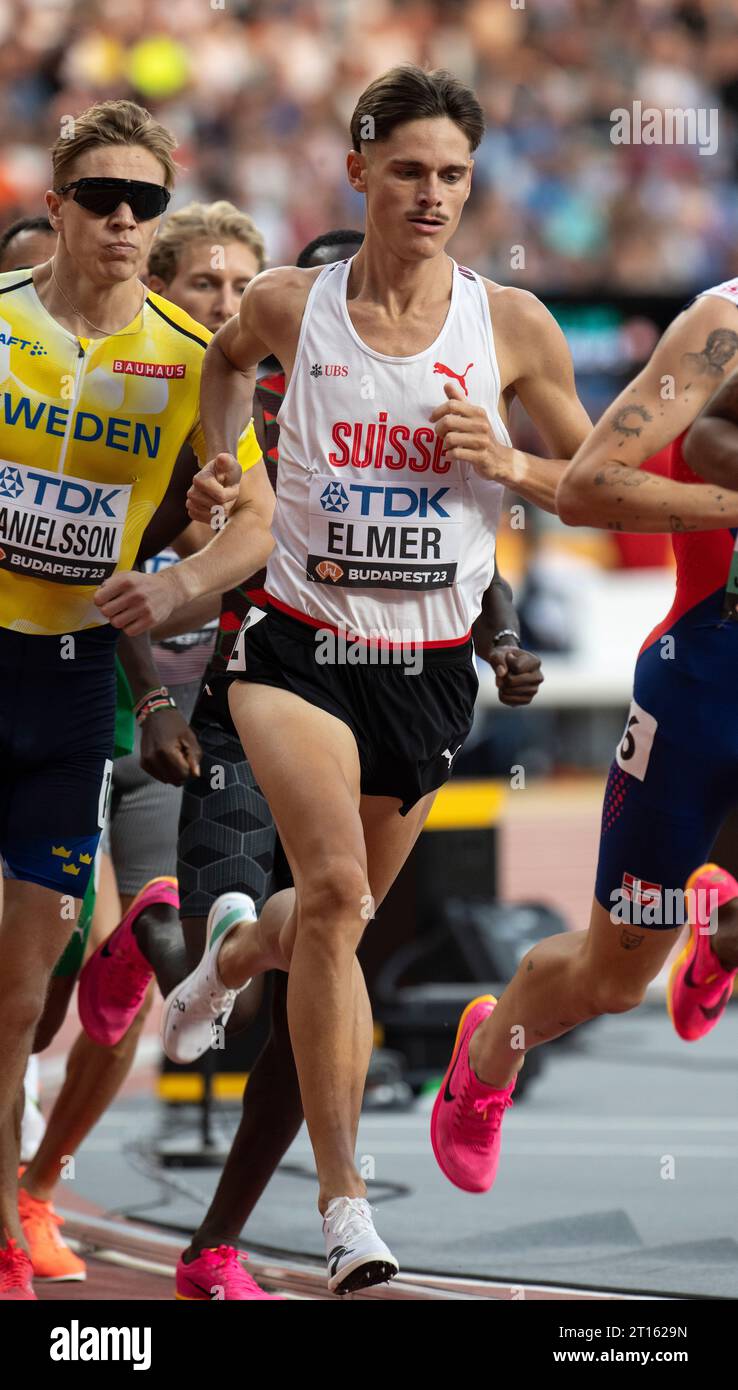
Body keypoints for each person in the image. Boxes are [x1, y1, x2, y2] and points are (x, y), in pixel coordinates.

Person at [94, 64, 590, 1294]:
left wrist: (511, 465)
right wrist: (228, 471)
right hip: (298, 644)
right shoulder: (287, 302)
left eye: (456, 177)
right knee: (334, 898)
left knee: (320, 924)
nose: (433, 196)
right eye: (410, 170)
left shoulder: (510, 325)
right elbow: (219, 365)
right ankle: (344, 1205)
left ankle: (223, 968)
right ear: (358, 170)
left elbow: (590, 478)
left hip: (425, 669)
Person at [0, 99, 266, 1300]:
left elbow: (249, 516)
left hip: (72, 692)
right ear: (53, 204)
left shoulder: (188, 357)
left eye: (143, 200)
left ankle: (20, 1211)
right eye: (101, 197)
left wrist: (182, 584)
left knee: (19, 993)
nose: (122, 218)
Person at [430, 273, 738, 1201]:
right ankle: (486, 1055)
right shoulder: (720, 327)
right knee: (610, 980)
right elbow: (596, 481)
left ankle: (721, 929)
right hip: (707, 681)